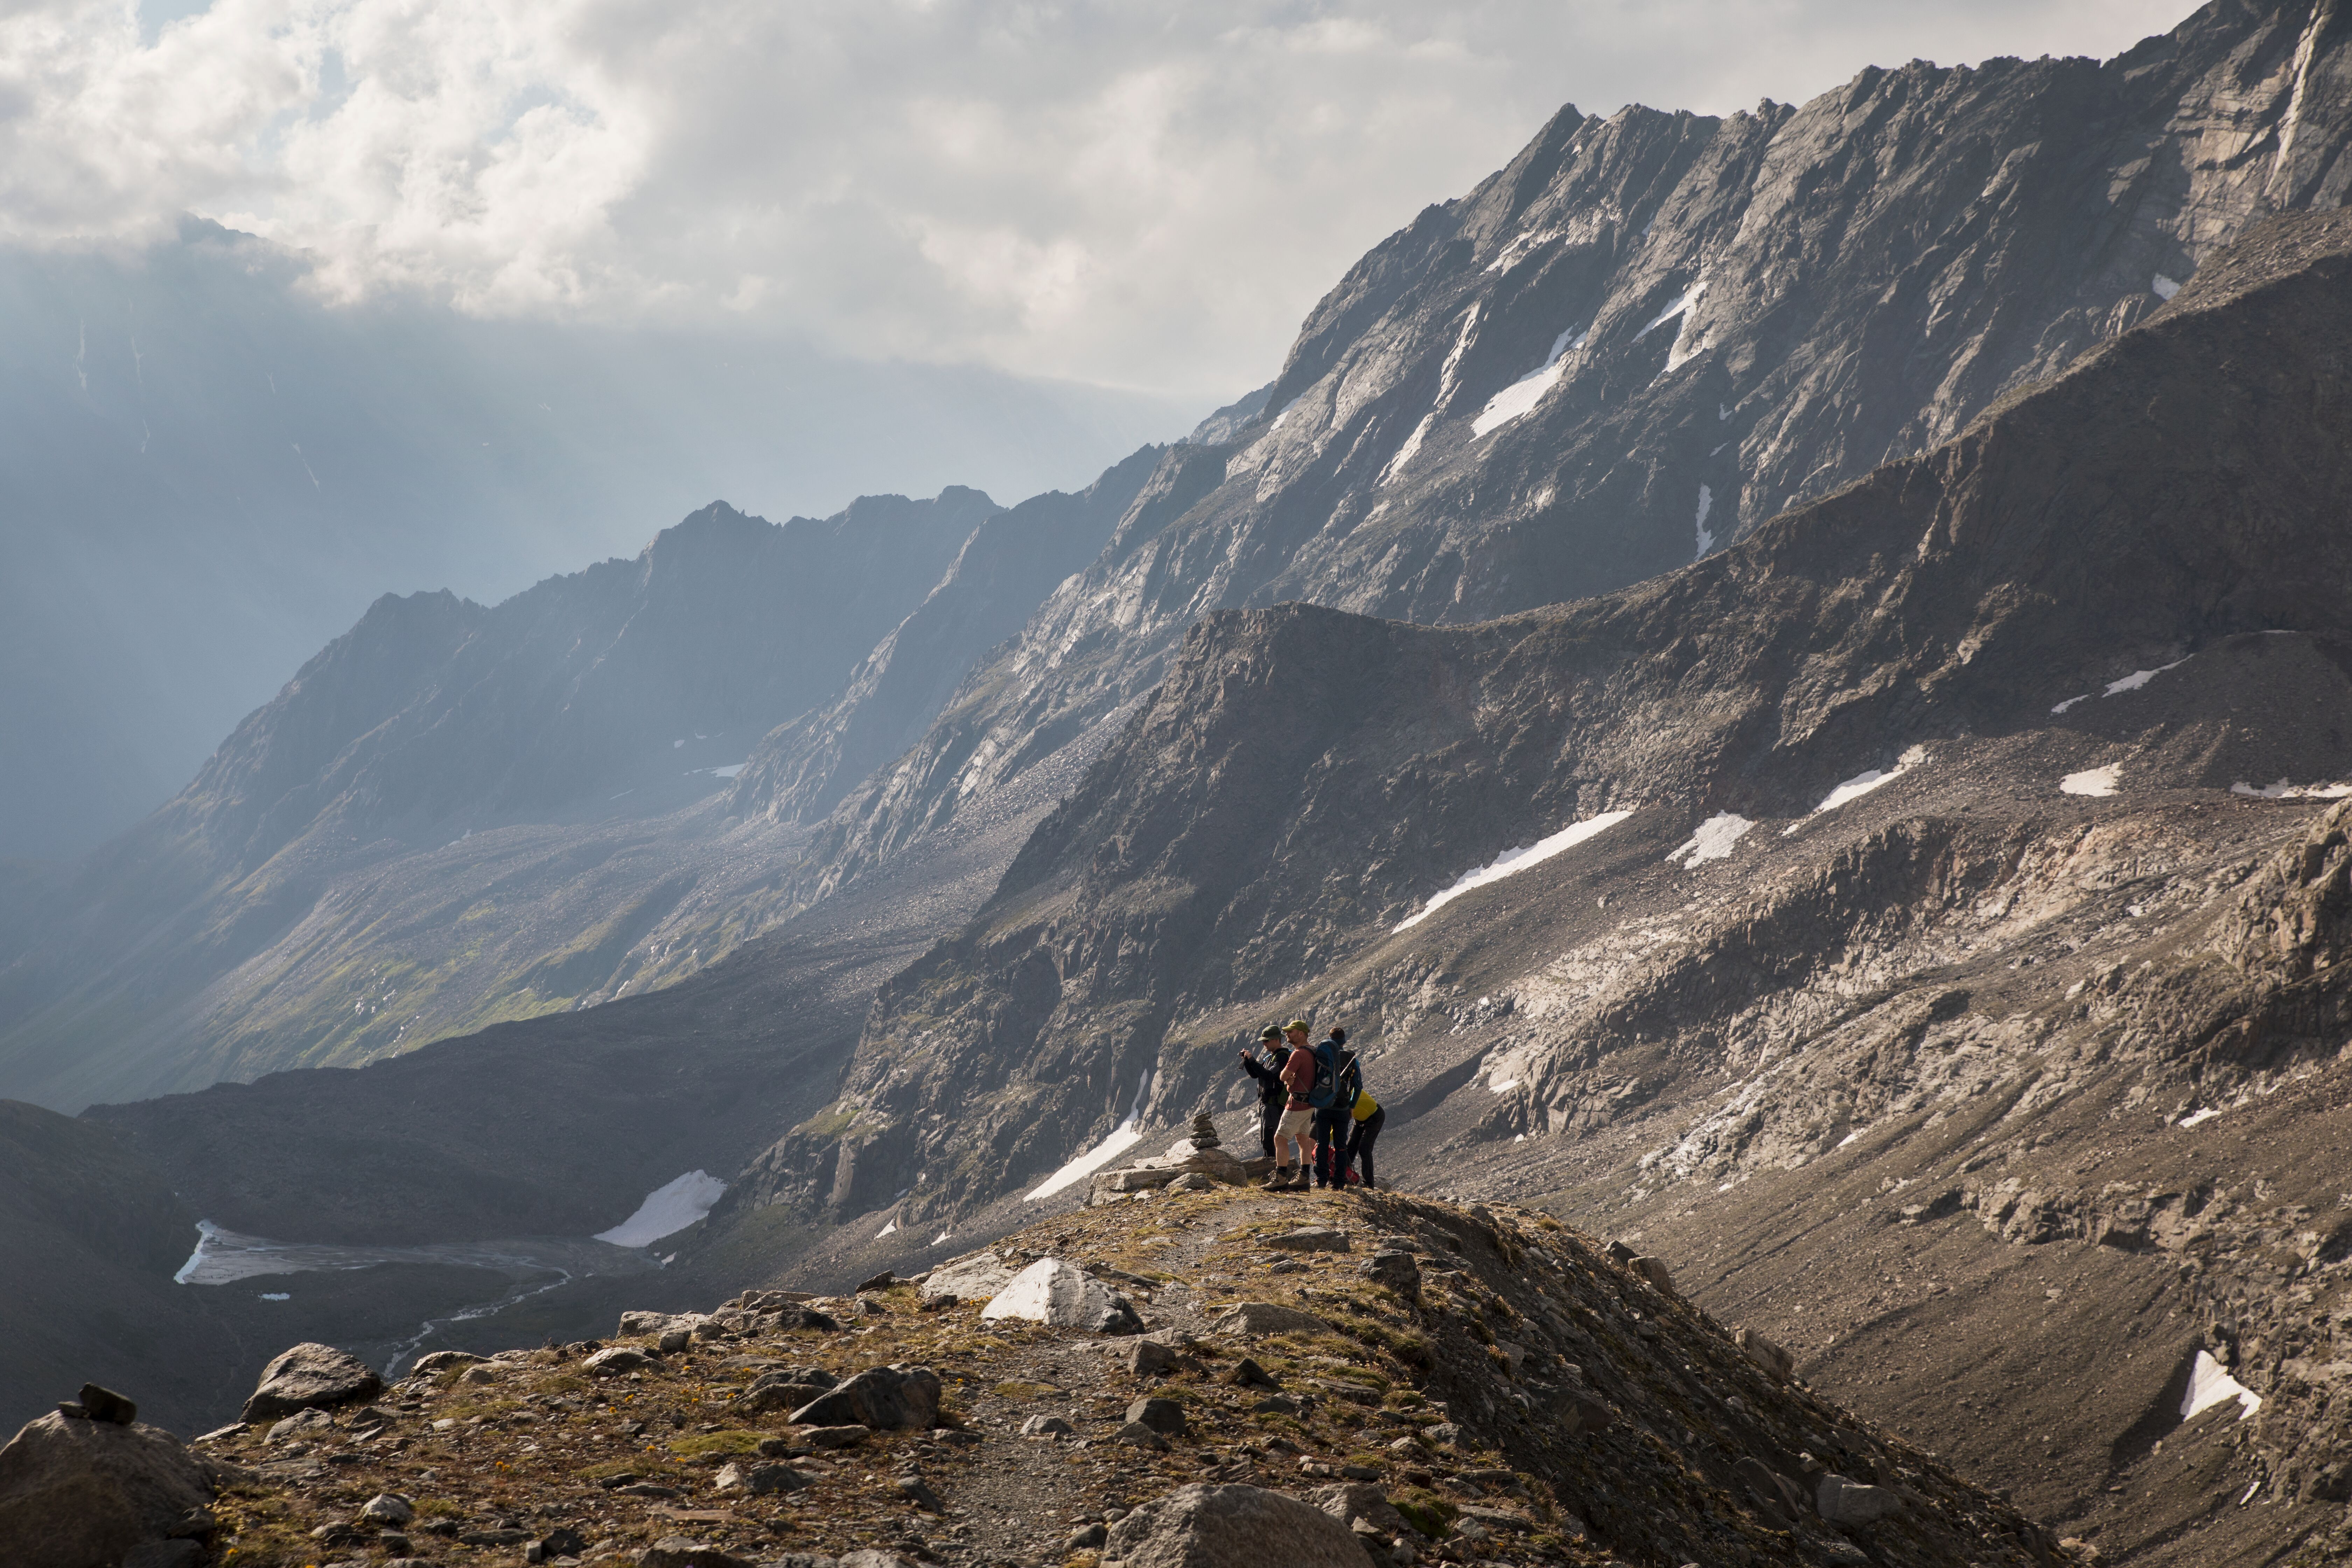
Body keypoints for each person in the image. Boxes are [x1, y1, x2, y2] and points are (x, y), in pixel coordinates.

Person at [1267, 1018, 1318, 1190]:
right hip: (1310, 1104)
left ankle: (1281, 1178)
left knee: (1280, 1138)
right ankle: (1304, 1177)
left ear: (1302, 1034)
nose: (1287, 1035)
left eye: (1291, 1032)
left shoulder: (1298, 1054)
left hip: (1296, 1103)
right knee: (1303, 1139)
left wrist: (1288, 1081)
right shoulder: (1313, 1051)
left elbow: (1282, 1076)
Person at [1311, 1027, 1357, 1189]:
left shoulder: (1323, 1055)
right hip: (1342, 1108)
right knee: (1341, 1146)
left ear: (1330, 1039)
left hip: (1323, 1106)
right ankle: (1339, 1182)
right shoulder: (1351, 1058)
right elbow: (1358, 1086)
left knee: (1322, 1143)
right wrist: (1351, 1106)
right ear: (1344, 1041)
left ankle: (1321, 1180)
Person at [1236, 1025, 1289, 1161]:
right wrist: (1249, 1062)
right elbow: (1256, 1075)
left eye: (1266, 1041)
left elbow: (1269, 1075)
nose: (1264, 1044)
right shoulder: (1270, 1058)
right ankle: (1272, 1167)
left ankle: (1276, 1168)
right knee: (1266, 1137)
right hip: (1266, 1104)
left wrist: (1253, 1060)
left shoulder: (1282, 1057)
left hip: (1274, 1104)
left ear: (1276, 1040)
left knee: (1270, 1138)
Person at [1343, 1073, 1386, 1190]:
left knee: (1364, 1149)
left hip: (1375, 1117)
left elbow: (1341, 1123)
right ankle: (1345, 1177)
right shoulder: (1344, 1091)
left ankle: (1369, 1184)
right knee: (1350, 1148)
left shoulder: (1346, 1097)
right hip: (1361, 1119)